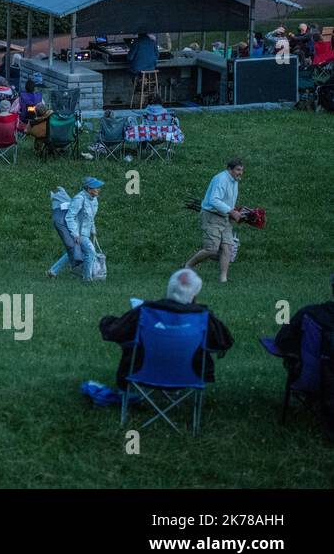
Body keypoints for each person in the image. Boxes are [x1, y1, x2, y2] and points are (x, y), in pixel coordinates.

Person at [99, 268, 233, 389]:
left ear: (169, 287)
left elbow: (112, 331)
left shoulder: (146, 312)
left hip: (141, 372)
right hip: (190, 375)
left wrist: (108, 321)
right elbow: (224, 342)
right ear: (194, 295)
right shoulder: (203, 317)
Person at [186, 158, 245, 283]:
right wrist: (231, 211)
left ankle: (223, 279)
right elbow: (214, 200)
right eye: (238, 170)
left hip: (224, 216)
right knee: (211, 249)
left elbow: (227, 201)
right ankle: (188, 266)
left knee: (228, 248)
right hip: (211, 215)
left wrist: (232, 213)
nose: (240, 173)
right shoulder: (221, 179)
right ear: (230, 169)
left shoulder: (234, 181)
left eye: (242, 170)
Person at [47, 178, 104, 279]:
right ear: (89, 189)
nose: (98, 189)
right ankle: (87, 279)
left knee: (74, 250)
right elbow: (69, 217)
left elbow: (91, 218)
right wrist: (75, 234)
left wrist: (93, 231)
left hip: (86, 232)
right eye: (96, 187)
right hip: (78, 232)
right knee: (90, 252)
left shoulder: (94, 200)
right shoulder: (79, 199)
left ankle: (52, 271)